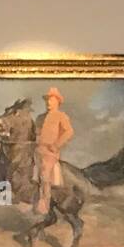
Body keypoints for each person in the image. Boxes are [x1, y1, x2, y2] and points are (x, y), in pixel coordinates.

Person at [34, 86, 74, 214]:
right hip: (37, 150)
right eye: (47, 100)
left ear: (58, 101)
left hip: (50, 153)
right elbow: (35, 134)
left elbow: (69, 132)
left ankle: (44, 205)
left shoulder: (61, 116)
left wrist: (56, 145)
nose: (48, 103)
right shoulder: (40, 118)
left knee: (44, 175)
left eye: (51, 100)